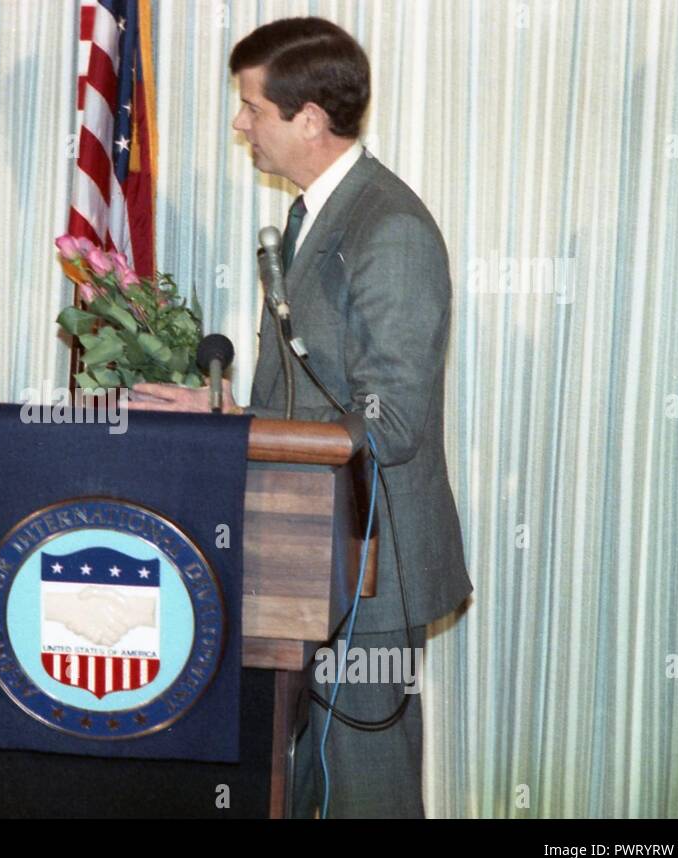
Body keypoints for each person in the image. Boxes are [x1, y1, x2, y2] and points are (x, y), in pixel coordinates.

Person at [130, 17, 472, 817]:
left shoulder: (388, 228)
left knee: (369, 791)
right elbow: (323, 395)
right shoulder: (316, 211)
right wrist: (227, 408)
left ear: (309, 119)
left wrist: (256, 434)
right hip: (313, 555)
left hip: (370, 563)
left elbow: (390, 419)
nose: (240, 124)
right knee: (312, 787)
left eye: (252, 107)